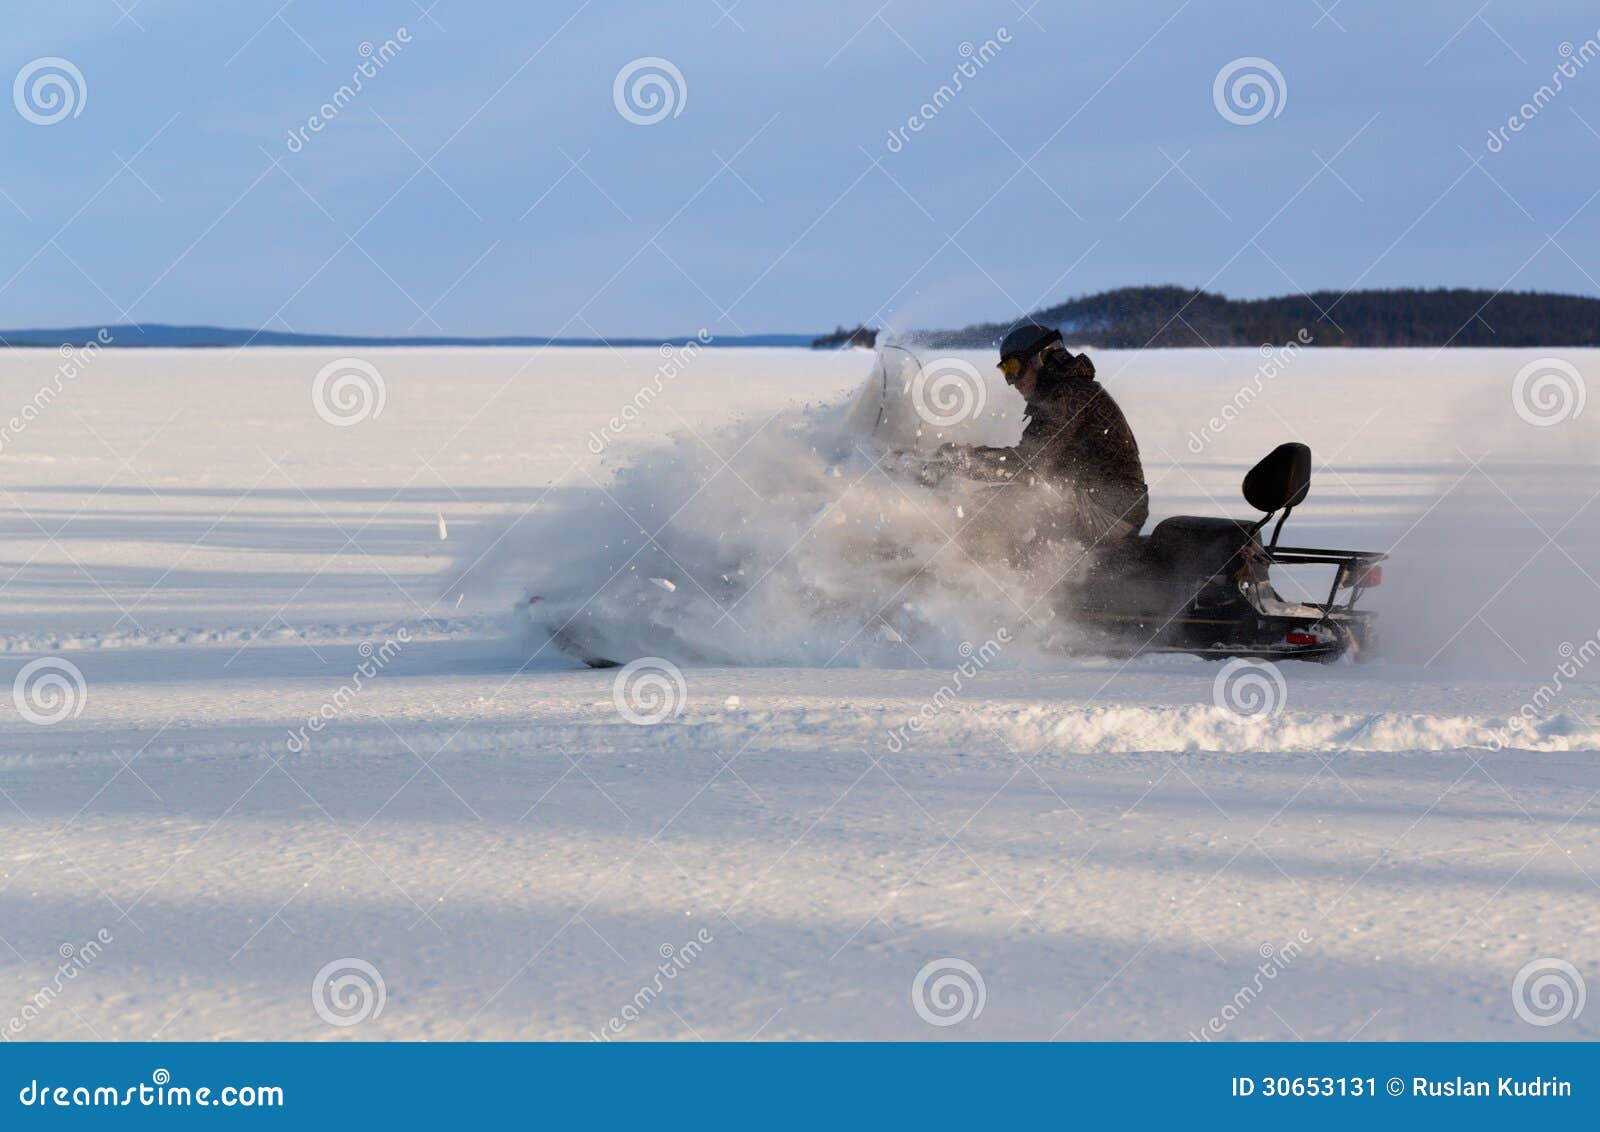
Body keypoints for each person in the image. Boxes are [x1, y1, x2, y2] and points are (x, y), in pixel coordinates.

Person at [939, 321, 1149, 547]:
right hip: (1099, 502)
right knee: (1005, 502)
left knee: (993, 507)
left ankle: (980, 566)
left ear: (1043, 358)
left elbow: (1029, 463)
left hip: (1109, 509)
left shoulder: (1071, 395)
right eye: (1006, 372)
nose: (1013, 382)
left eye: (1014, 367)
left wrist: (959, 460)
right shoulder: (1061, 395)